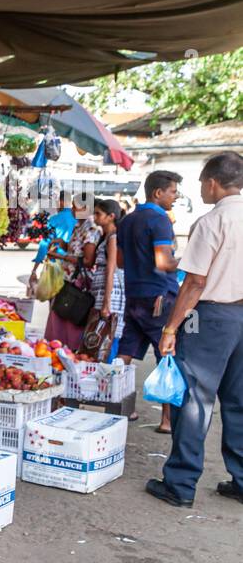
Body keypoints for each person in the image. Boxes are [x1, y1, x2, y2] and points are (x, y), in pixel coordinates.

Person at [147, 152, 243, 507]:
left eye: (202, 182)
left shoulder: (212, 221)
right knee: (238, 401)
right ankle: (242, 480)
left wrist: (171, 327)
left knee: (195, 401)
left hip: (212, 318)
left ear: (213, 182)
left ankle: (180, 484)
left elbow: (195, 281)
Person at [117, 170, 182, 434]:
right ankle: (167, 421)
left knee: (125, 354)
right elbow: (164, 262)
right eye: (173, 192)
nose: (175, 197)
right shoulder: (160, 219)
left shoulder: (127, 220)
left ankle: (120, 411)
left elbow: (120, 262)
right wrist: (188, 263)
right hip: (158, 297)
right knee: (166, 356)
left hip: (133, 295)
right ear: (158, 192)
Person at [42, 195, 101, 351]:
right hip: (67, 279)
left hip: (78, 285)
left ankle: (70, 353)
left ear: (87, 209)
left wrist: (61, 256)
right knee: (58, 319)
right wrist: (63, 244)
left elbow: (88, 261)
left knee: (70, 320)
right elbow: (76, 249)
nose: (73, 210)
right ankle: (58, 352)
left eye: (77, 207)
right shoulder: (78, 226)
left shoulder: (91, 229)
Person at [91, 199, 125, 359]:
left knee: (108, 335)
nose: (95, 216)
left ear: (111, 216)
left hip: (111, 293)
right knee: (101, 333)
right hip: (103, 292)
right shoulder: (105, 236)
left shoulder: (113, 237)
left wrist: (106, 303)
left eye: (98, 213)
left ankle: (108, 372)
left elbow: (111, 269)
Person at [28, 190, 77, 292]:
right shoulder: (78, 219)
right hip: (73, 264)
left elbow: (45, 243)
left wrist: (34, 270)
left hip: (56, 262)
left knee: (55, 298)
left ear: (62, 202)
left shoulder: (54, 219)